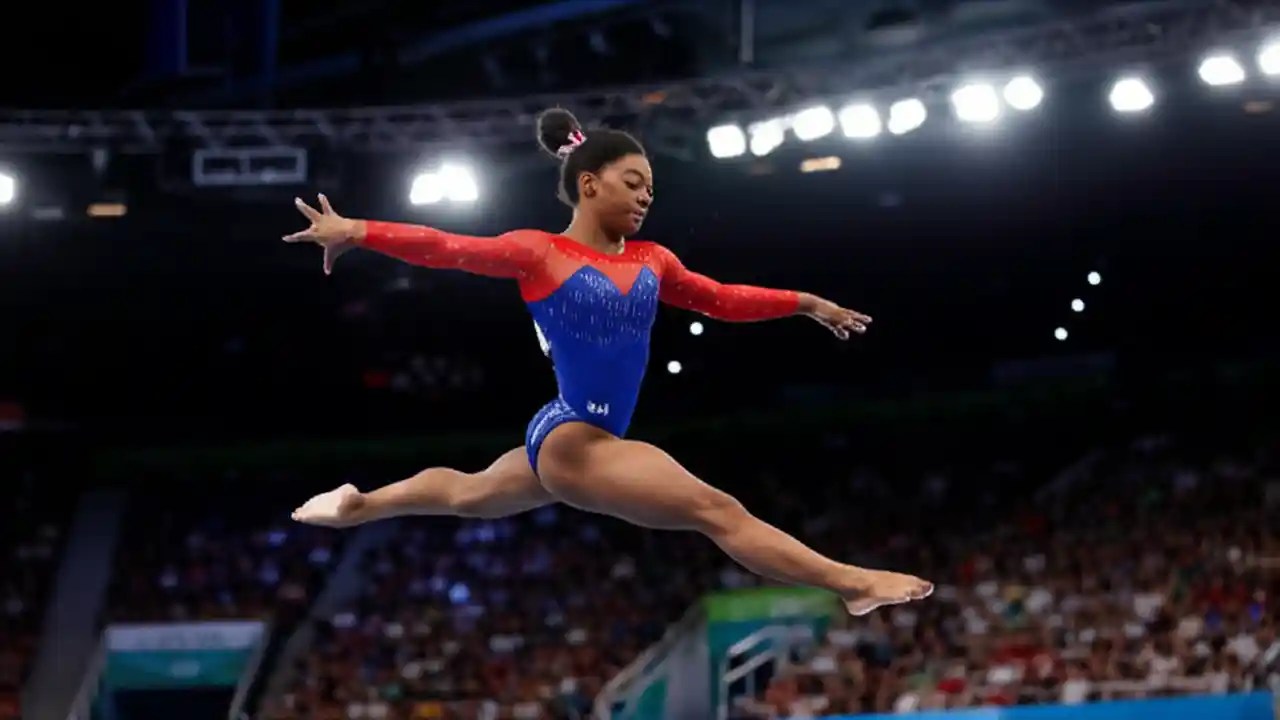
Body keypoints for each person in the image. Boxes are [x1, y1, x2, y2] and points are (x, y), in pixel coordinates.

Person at [286, 108, 932, 615]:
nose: (646, 196)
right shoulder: (538, 252)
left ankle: (359, 505)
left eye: (651, 187)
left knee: (467, 493)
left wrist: (805, 302)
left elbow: (722, 299)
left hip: (566, 428)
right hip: (578, 439)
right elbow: (447, 247)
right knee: (718, 511)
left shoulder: (653, 259)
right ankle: (849, 583)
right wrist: (358, 230)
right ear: (588, 183)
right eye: (633, 182)